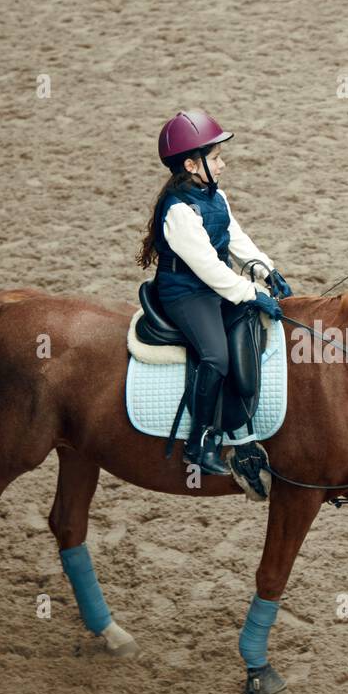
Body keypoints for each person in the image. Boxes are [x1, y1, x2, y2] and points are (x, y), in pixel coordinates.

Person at [137, 110, 292, 475]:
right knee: (216, 357)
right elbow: (208, 267)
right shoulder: (177, 210)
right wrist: (251, 293)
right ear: (191, 164)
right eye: (216, 158)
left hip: (214, 286)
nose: (222, 165)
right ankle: (200, 444)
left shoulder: (214, 196)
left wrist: (265, 269)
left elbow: (235, 238)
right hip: (185, 294)